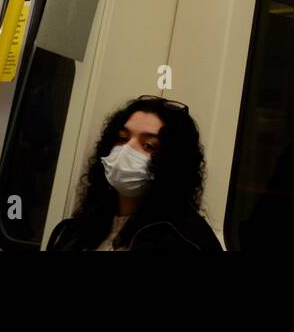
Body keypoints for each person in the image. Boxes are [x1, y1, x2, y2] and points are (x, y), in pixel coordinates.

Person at [46, 96, 223, 251]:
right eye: (122, 138)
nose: (126, 150)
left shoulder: (186, 241)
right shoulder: (74, 231)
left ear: (172, 161)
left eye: (148, 146)